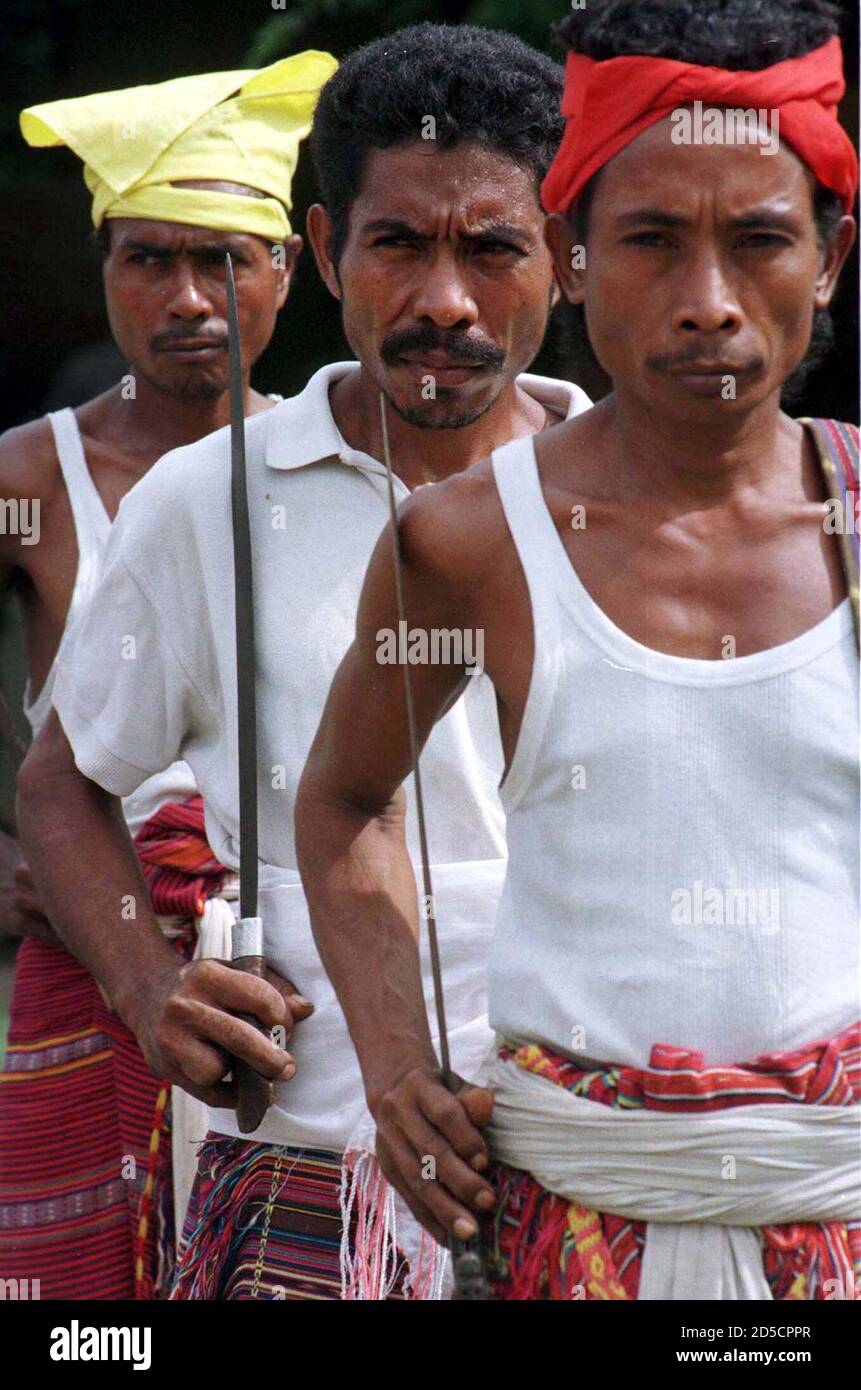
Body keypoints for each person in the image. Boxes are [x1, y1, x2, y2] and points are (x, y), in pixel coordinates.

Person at [295, 0, 860, 1301]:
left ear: (829, 257)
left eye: (760, 239)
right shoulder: (470, 543)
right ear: (572, 250)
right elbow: (340, 797)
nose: (708, 304)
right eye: (651, 239)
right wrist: (396, 1059)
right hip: (563, 1229)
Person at [17, 23, 592, 1300]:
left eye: (493, 248)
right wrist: (149, 979)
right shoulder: (204, 504)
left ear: (567, 254)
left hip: (599, 1173)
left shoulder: (642, 511)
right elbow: (64, 781)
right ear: (328, 250)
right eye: (399, 243)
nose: (445, 301)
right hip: (306, 1161)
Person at [0, 49, 336, 1299]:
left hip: (303, 958)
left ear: (289, 272)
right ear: (105, 275)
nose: (188, 295)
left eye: (224, 258)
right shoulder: (33, 479)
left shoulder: (348, 468)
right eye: (149, 257)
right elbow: (63, 779)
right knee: (86, 1303)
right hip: (102, 947)